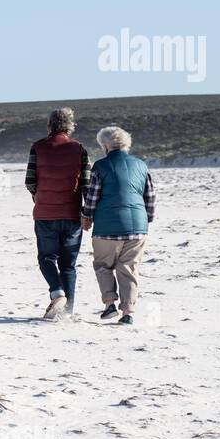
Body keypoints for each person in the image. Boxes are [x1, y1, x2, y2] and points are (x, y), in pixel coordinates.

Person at [81, 126, 156, 325]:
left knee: (103, 265)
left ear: (106, 145)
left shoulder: (100, 166)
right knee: (129, 268)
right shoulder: (141, 165)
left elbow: (92, 197)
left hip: (107, 227)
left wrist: (86, 217)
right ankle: (128, 312)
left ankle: (109, 304)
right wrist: (146, 220)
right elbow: (150, 197)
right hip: (138, 228)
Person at [25, 107, 90, 319]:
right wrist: (86, 211)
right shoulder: (79, 149)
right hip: (72, 214)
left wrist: (39, 196)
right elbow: (86, 185)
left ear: (50, 125)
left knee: (46, 258)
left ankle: (57, 292)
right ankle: (67, 312)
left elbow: (30, 181)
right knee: (68, 265)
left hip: (45, 214)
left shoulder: (38, 147)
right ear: (70, 126)